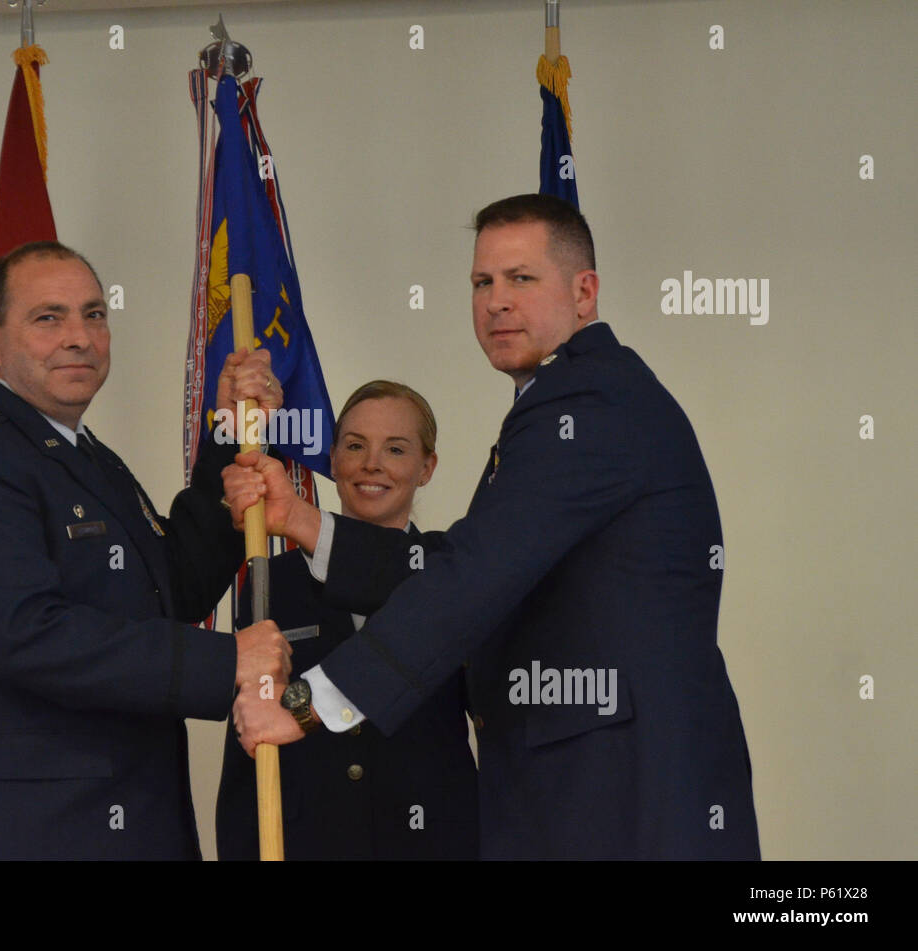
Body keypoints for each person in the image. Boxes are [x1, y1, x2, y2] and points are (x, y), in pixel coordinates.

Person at [229, 194, 760, 860]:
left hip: (621, 804)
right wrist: (302, 521)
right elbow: (472, 564)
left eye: (522, 278)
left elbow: (473, 575)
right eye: (482, 282)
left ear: (584, 292)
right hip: (592, 799)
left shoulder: (587, 399)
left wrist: (311, 703)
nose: (496, 301)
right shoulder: (566, 400)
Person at [0, 240, 291, 860]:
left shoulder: (83, 456)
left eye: (95, 314)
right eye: (48, 317)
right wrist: (226, 663)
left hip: (130, 820)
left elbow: (174, 587)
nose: (79, 336)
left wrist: (225, 434)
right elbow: (30, 634)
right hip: (34, 832)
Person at [215, 382, 478, 860]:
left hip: (431, 842)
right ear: (333, 458)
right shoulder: (271, 581)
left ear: (427, 468)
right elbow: (249, 740)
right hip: (307, 844)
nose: (371, 464)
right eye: (355, 446)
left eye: (395, 449)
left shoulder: (453, 572)